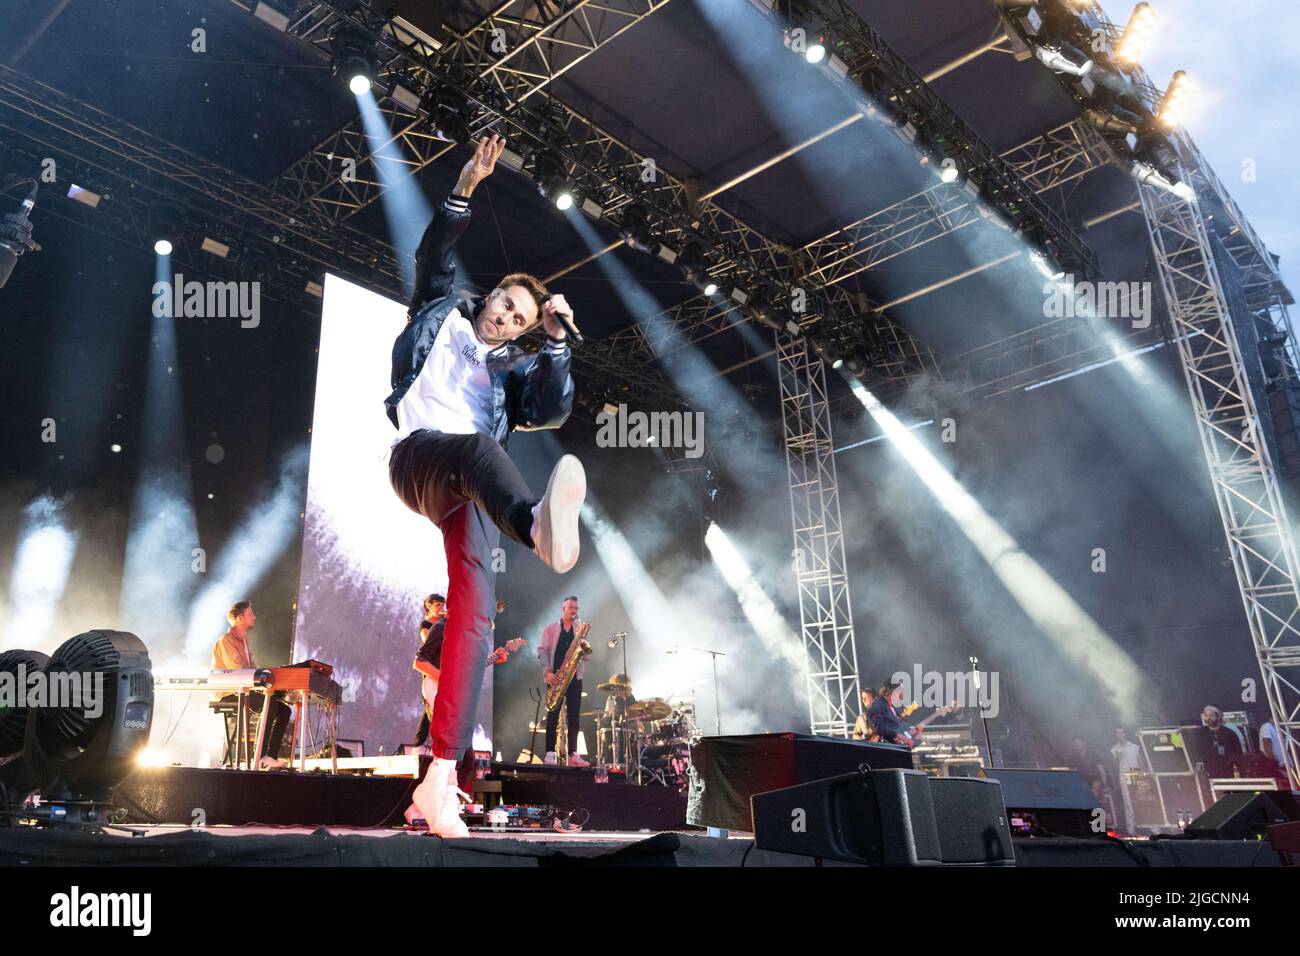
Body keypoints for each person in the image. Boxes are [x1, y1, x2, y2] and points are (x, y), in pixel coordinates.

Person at [388, 134, 587, 837]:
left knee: (475, 613)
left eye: (521, 318)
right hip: (421, 461)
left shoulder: (511, 378)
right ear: (490, 295)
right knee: (476, 450)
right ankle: (534, 524)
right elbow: (430, 254)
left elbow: (554, 405)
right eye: (505, 301)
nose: (505, 314)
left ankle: (440, 779)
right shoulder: (442, 310)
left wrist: (559, 341)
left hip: (469, 489)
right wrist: (466, 186)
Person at [211, 601, 290, 771]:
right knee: (271, 705)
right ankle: (260, 757)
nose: (254, 617)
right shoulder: (225, 641)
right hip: (229, 692)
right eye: (250, 615)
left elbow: (252, 672)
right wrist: (262, 684)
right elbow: (239, 672)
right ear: (239, 618)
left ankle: (270, 756)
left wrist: (270, 685)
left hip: (244, 690)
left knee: (285, 710)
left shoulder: (244, 642)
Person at [538, 595, 590, 767]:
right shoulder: (551, 628)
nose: (574, 611)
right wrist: (547, 672)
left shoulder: (578, 629)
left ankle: (573, 754)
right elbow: (542, 651)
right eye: (571, 608)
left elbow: (587, 656)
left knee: (574, 716)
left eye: (576, 608)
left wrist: (583, 643)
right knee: (552, 714)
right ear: (563, 609)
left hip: (575, 678)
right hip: (556, 677)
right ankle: (550, 753)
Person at [1110, 728, 1144, 833]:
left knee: (1142, 799)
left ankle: (1151, 825)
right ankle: (1131, 828)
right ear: (1116, 735)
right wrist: (1117, 758)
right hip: (1124, 776)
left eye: (1122, 732)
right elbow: (1114, 766)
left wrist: (1143, 775)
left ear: (1126, 734)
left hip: (1136, 775)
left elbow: (1141, 762)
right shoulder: (1114, 749)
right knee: (1128, 802)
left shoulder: (1134, 747)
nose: (1120, 735)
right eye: (1118, 733)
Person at [868, 681, 919, 746]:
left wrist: (912, 730)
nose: (902, 696)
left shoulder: (890, 707)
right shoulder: (878, 704)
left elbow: (895, 725)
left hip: (891, 746)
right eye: (900, 693)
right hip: (882, 747)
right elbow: (879, 727)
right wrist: (900, 736)